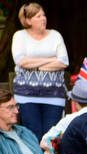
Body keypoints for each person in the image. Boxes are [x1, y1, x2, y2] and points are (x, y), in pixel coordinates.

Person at [10, 3, 67, 139]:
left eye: (44, 15)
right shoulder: (19, 36)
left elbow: (63, 61)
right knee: (33, 135)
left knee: (50, 136)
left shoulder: (55, 35)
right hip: (26, 95)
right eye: (38, 16)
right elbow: (21, 61)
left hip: (54, 95)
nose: (43, 18)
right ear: (28, 20)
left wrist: (35, 65)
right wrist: (49, 59)